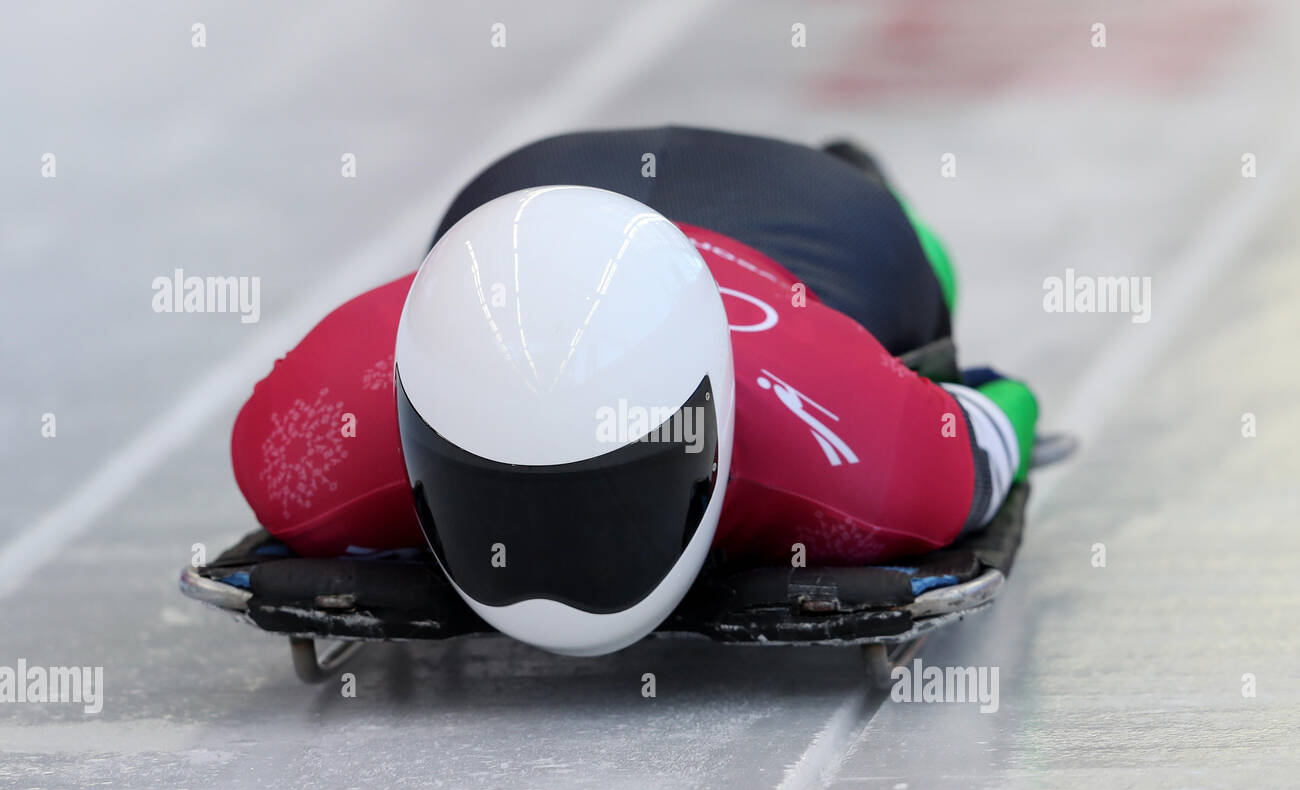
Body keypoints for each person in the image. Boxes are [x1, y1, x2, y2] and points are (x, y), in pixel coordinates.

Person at [230, 127, 1038, 654]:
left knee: (917, 267)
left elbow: (997, 412)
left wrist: (955, 396)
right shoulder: (874, 470)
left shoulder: (859, 453)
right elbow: (1003, 411)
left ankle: (894, 216)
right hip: (543, 203)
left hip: (800, 216)